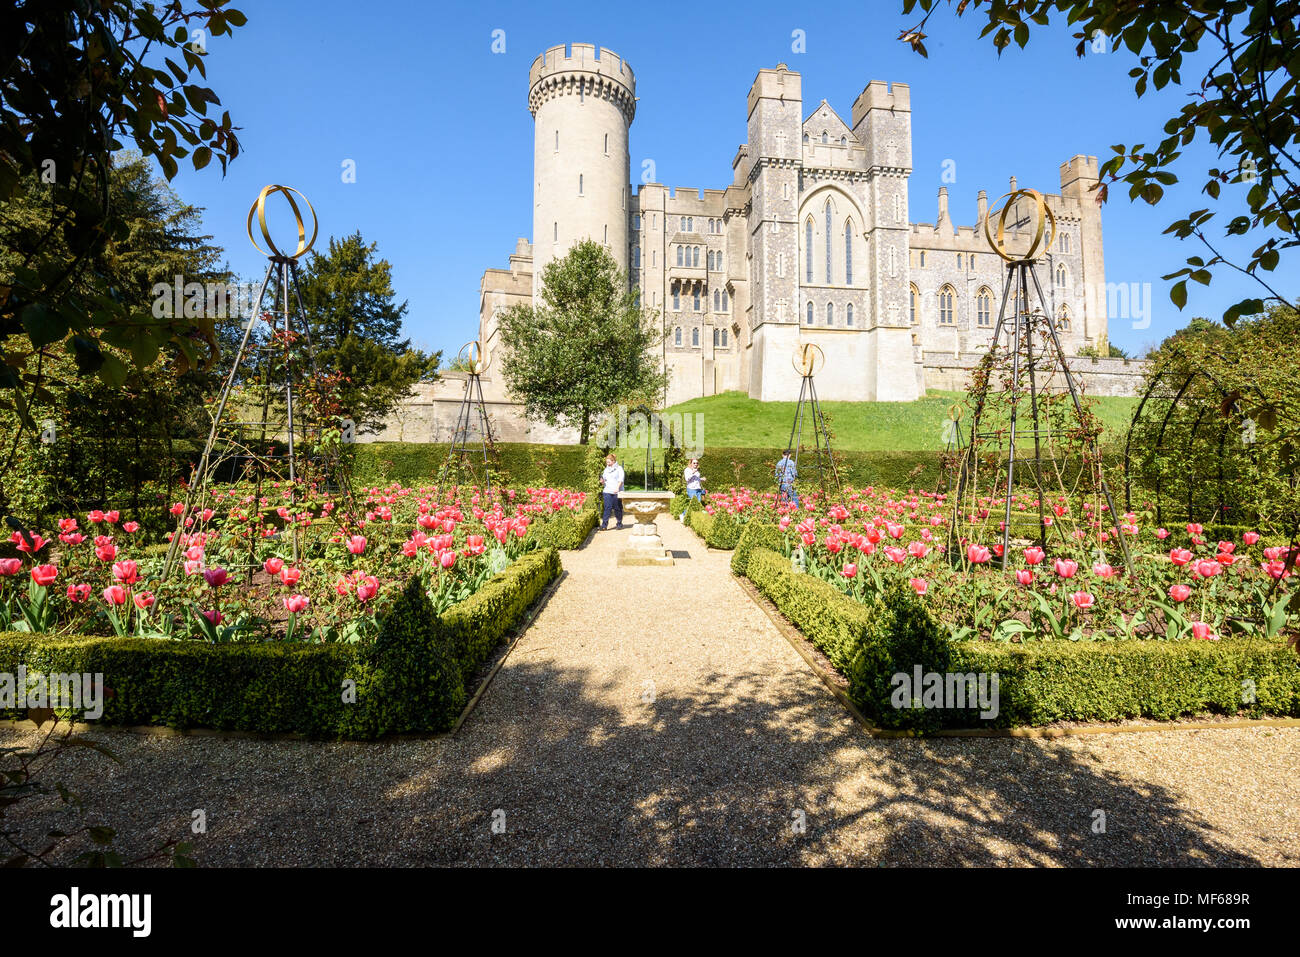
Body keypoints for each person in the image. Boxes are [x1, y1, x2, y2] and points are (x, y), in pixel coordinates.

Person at [599, 453, 625, 530]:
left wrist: (617, 488)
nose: (607, 464)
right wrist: (602, 481)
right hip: (607, 491)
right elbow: (604, 480)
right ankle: (604, 525)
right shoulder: (606, 470)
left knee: (618, 508)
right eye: (607, 462)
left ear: (613, 461)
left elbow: (621, 480)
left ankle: (619, 523)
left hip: (616, 491)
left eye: (609, 462)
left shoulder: (619, 468)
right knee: (607, 508)